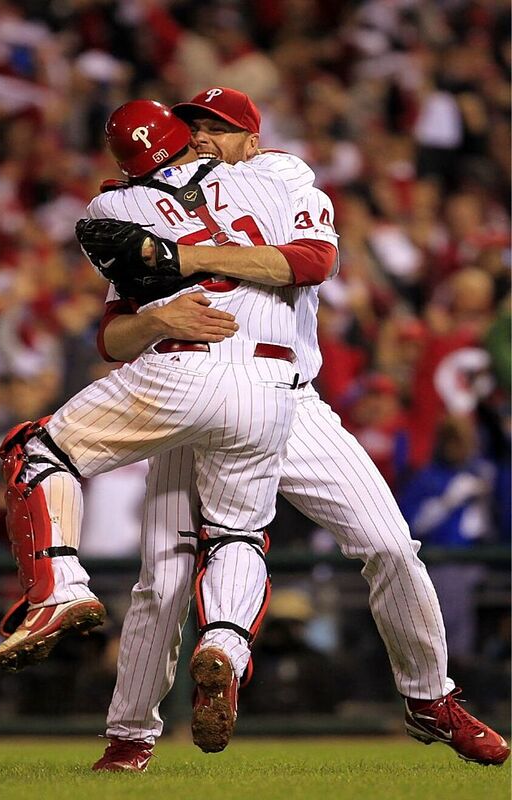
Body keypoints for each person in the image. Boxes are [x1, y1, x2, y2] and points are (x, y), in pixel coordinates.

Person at [93, 87, 508, 772]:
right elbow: (112, 335)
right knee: (161, 580)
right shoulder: (150, 208)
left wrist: (186, 259)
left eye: (219, 130)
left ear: (252, 143)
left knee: (393, 546)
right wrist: (157, 317)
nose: (202, 138)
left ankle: (430, 698)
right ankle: (130, 736)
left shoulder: (277, 180)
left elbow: (313, 261)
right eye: (192, 126)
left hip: (290, 399)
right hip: (190, 397)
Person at [0, 98, 311, 756]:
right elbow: (310, 258)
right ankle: (223, 642)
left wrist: (170, 261)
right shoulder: (271, 177)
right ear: (185, 140)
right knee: (239, 535)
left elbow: (112, 265)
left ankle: (59, 588)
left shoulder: (110, 207)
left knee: (38, 449)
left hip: (182, 371)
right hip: (271, 385)